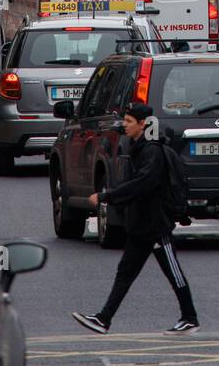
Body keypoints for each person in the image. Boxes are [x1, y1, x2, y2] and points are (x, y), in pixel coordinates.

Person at [72, 103, 199, 336]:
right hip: (141, 224)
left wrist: (107, 195)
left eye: (129, 121)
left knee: (173, 271)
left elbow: (143, 183)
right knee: (125, 273)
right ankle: (103, 318)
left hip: (156, 224)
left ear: (143, 124)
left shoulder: (152, 150)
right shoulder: (138, 147)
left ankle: (190, 318)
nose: (124, 125)